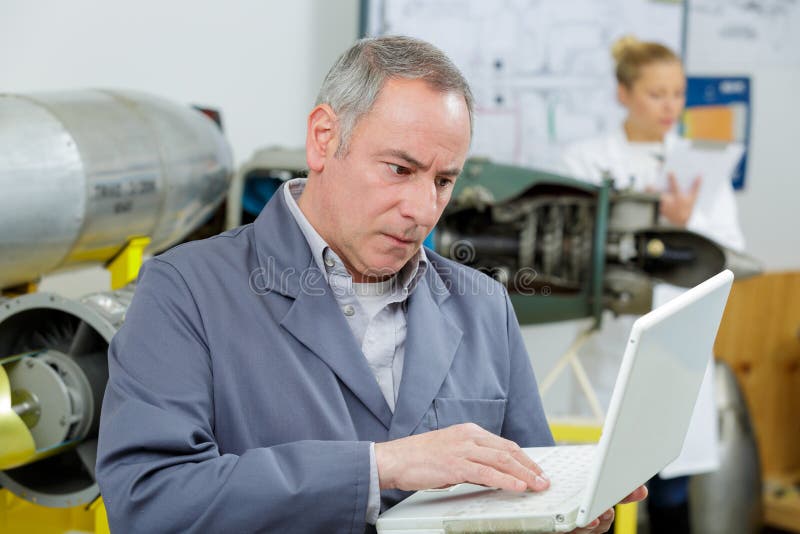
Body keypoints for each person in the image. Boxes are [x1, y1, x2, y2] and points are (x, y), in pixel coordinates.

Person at [96, 36, 645, 533]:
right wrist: (380, 467)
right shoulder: (187, 290)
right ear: (323, 138)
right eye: (400, 170)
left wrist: (565, 515)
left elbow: (528, 492)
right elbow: (150, 502)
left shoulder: (485, 307)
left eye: (444, 180)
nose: (422, 209)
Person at [561, 36, 746, 533]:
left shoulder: (700, 164)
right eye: (656, 94)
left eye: (678, 93)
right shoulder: (585, 160)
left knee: (671, 488)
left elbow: (729, 253)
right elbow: (572, 250)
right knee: (603, 492)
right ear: (624, 93)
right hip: (609, 348)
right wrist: (650, 224)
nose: (670, 107)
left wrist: (684, 229)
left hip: (680, 347)